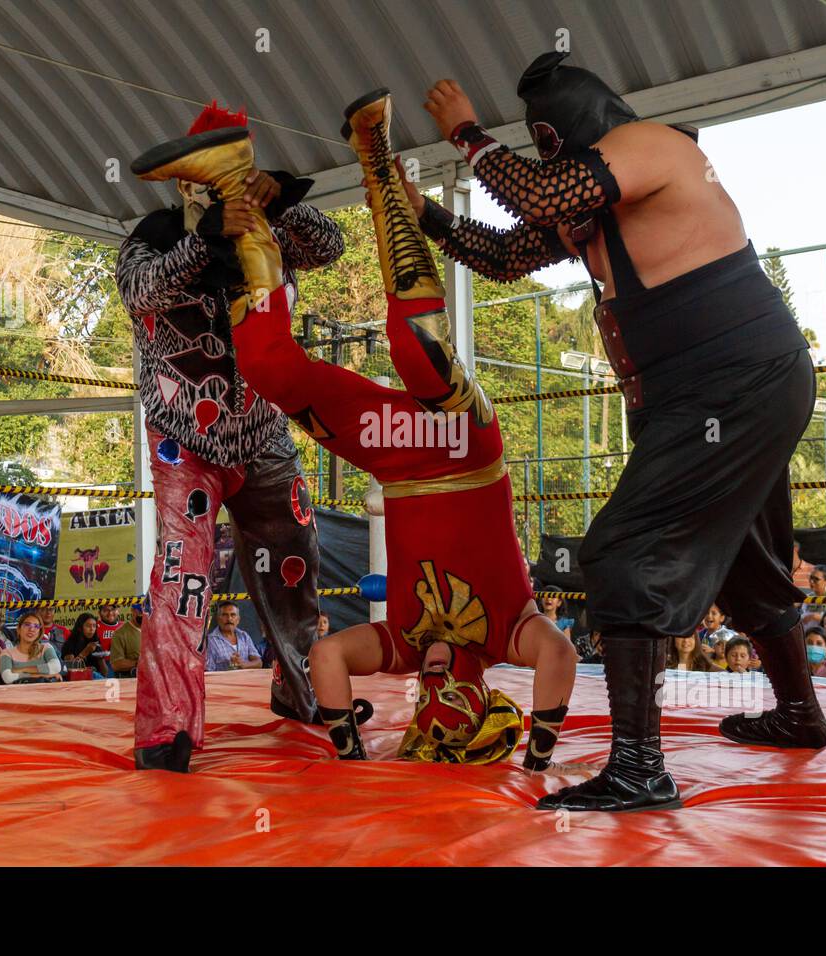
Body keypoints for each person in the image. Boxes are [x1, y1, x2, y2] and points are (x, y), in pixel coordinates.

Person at [415, 55, 825, 811]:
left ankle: (640, 767)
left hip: (731, 387)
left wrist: (467, 135)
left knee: (620, 552)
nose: (557, 170)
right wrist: (422, 215)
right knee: (745, 558)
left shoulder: (657, 147)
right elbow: (505, 255)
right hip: (726, 391)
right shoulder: (595, 207)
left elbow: (540, 192)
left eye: (555, 150)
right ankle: (800, 713)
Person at [149, 91, 578, 769]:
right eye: (453, 693)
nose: (435, 678)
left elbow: (326, 655)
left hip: (398, 462)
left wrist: (351, 753)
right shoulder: (510, 637)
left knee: (268, 366)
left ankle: (233, 172)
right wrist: (540, 754)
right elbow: (560, 655)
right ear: (487, 695)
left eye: (425, 696)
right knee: (419, 351)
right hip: (464, 447)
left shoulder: (401, 648)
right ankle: (374, 154)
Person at [121, 102, 344, 772]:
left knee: (295, 559)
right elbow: (143, 293)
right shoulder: (153, 238)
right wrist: (210, 238)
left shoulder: (273, 227)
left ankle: (301, 689)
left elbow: (331, 246)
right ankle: (167, 731)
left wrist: (284, 207)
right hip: (181, 438)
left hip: (265, 431)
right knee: (184, 578)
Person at [1, 613, 64, 684]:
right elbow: (7, 678)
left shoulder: (46, 647)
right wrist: (44, 676)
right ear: (18, 629)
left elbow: (56, 667)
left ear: (39, 632)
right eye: (27, 624)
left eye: (36, 626)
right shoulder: (7, 653)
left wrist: (22, 669)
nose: (31, 629)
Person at [204, 602, 260, 672]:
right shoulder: (210, 640)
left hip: (247, 681)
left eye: (233, 615)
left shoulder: (244, 636)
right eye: (224, 615)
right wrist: (230, 668)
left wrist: (243, 665)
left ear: (238, 619)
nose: (229, 619)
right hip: (223, 682)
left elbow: (259, 662)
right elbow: (208, 671)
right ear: (218, 619)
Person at [63, 613, 108, 678]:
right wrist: (85, 652)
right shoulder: (70, 643)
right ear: (80, 627)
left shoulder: (95, 642)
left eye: (94, 626)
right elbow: (70, 668)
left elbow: (105, 673)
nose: (92, 629)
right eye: (88, 626)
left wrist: (100, 657)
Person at [110, 606, 144, 678]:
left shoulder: (155, 630)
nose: (143, 614)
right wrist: (139, 663)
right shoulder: (120, 633)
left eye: (146, 611)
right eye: (140, 612)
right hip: (132, 680)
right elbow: (116, 664)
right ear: (132, 610)